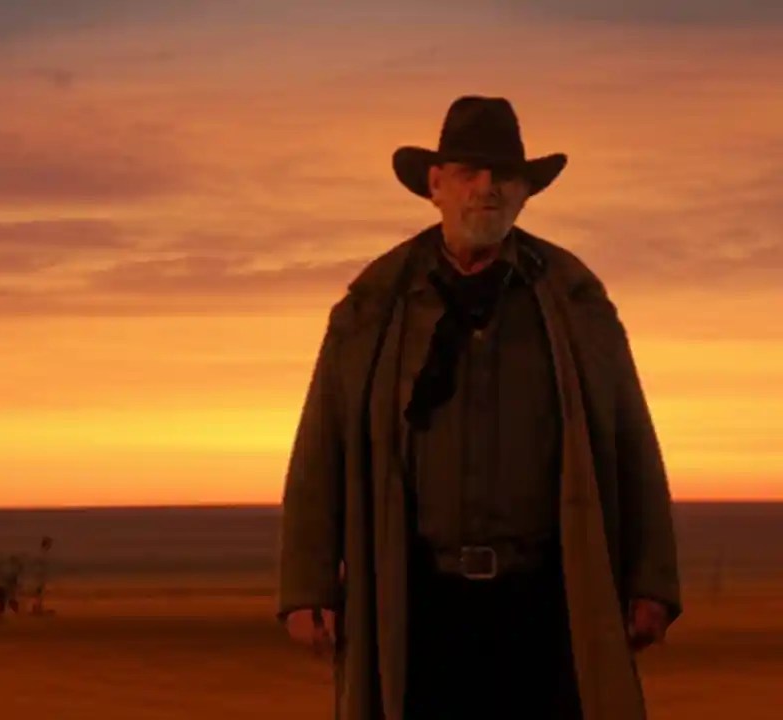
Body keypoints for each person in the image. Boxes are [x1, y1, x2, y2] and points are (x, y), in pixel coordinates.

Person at [276, 96, 681, 719]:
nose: (486, 189)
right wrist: (308, 586)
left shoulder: (572, 300)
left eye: (504, 176)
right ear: (436, 185)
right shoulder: (377, 304)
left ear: (525, 193)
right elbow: (320, 447)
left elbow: (631, 438)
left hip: (547, 600)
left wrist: (651, 581)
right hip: (417, 599)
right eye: (469, 172)